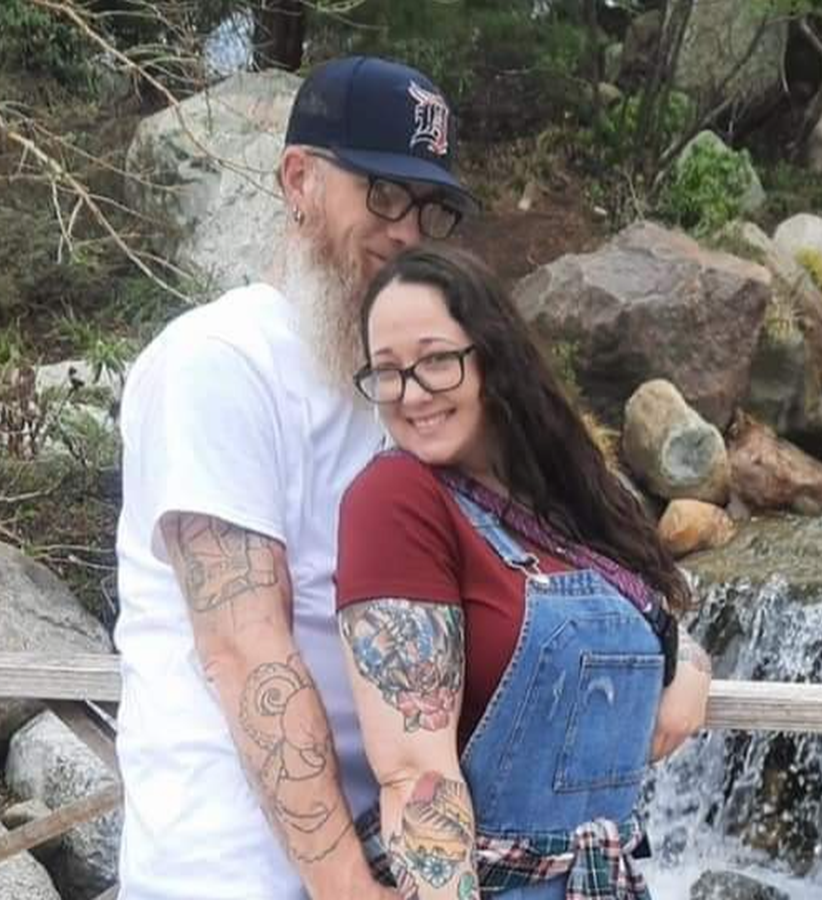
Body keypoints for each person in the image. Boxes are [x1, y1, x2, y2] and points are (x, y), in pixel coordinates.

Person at [113, 57, 478, 900]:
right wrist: (350, 888)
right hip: (228, 874)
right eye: (383, 194)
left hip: (374, 853)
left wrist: (669, 651)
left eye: (431, 207)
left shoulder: (401, 391)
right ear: (299, 181)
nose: (408, 232)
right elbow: (246, 653)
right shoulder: (220, 360)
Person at [333, 245, 713, 899]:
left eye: (435, 361)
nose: (411, 394)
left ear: (492, 356)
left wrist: (692, 669)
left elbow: (646, 615)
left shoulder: (572, 501)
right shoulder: (395, 500)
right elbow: (414, 777)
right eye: (387, 372)